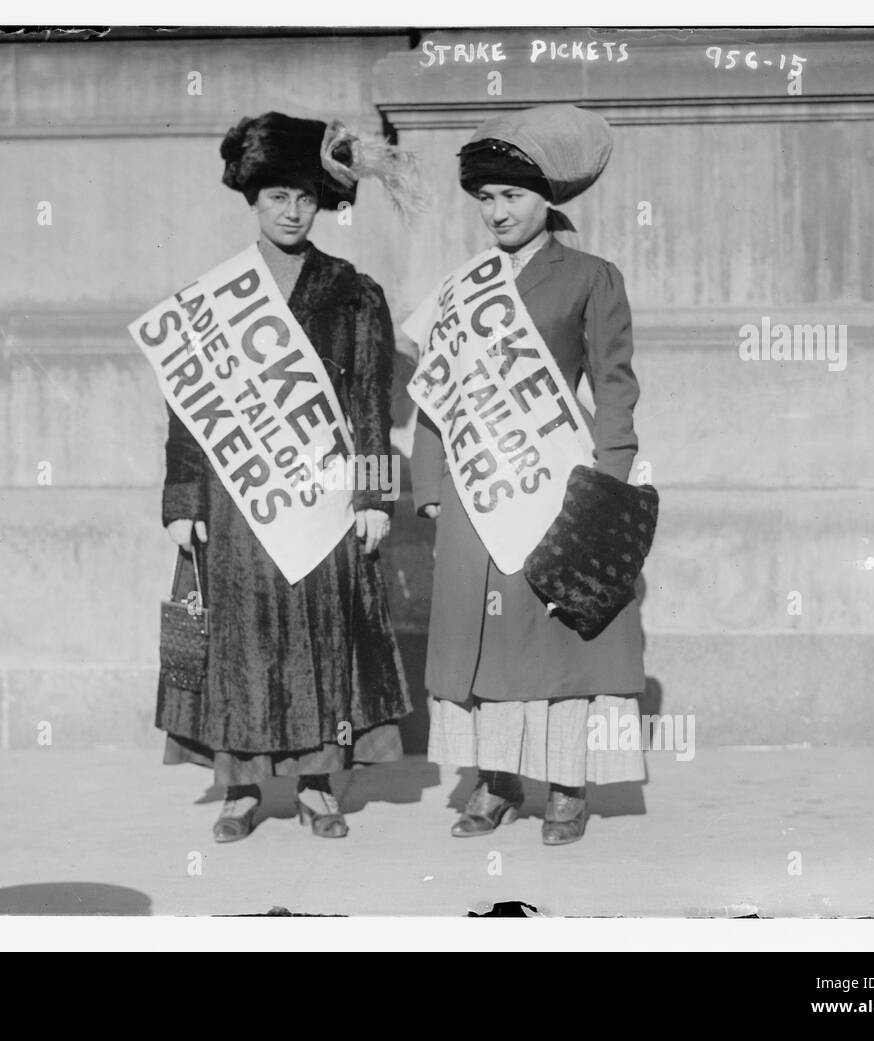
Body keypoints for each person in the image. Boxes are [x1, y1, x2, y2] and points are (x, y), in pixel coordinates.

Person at [156, 112, 418, 842]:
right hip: (239, 497)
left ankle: (314, 782)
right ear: (253, 200)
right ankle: (240, 786)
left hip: (323, 499)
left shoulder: (352, 293)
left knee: (317, 638)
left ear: (323, 203)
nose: (292, 210)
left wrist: (373, 497)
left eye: (305, 196)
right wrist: (182, 499)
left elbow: (370, 401)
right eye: (277, 196)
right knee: (239, 641)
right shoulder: (216, 297)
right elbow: (189, 409)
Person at [410, 104, 646, 846]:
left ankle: (568, 787)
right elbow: (431, 400)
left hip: (553, 485)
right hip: (476, 493)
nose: (497, 212)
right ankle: (495, 781)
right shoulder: (460, 289)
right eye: (486, 198)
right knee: (483, 643)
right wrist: (427, 492)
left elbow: (614, 386)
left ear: (548, 200)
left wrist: (606, 487)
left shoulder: (590, 277)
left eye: (511, 196)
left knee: (557, 640)